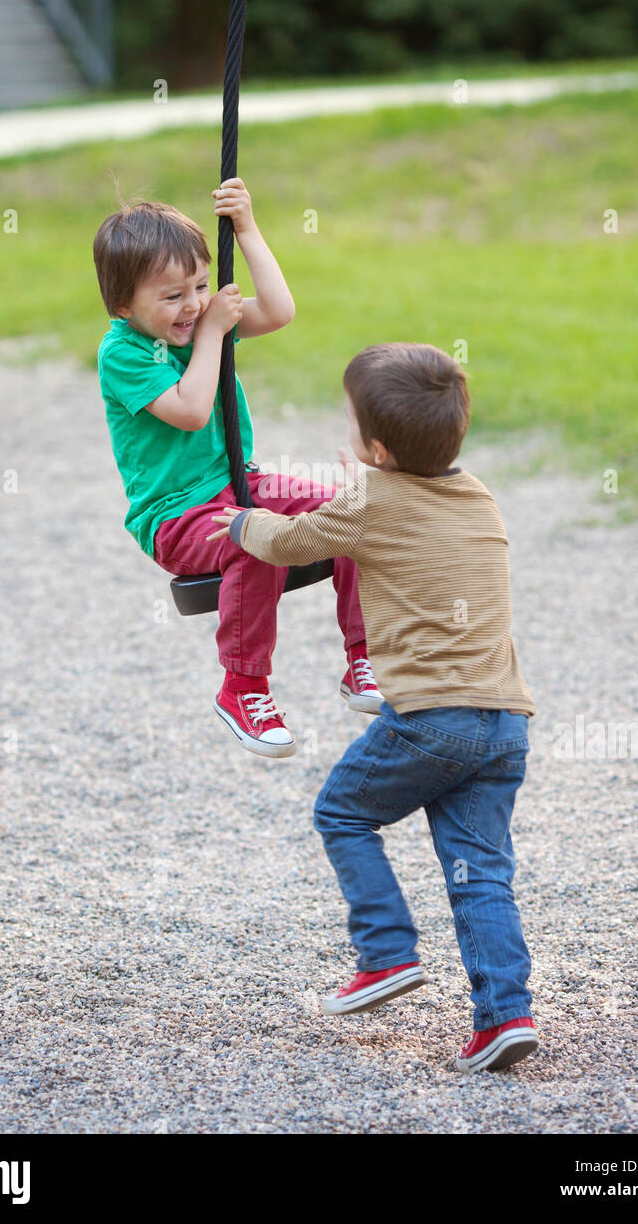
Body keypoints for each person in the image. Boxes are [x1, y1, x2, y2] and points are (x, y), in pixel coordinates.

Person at [208, 342, 538, 1072]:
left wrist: (236, 521)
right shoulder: (478, 495)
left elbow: (290, 542)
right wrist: (372, 477)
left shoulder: (369, 499)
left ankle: (386, 953)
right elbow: (410, 525)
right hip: (504, 721)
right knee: (479, 869)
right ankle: (504, 1016)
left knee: (343, 812)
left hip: (430, 719)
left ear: (377, 448)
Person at [93, 179, 382, 759]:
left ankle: (364, 658)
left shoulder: (200, 321)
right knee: (254, 538)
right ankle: (242, 688)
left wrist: (246, 229)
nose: (193, 305)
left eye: (200, 287)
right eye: (172, 296)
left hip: (241, 485)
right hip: (177, 515)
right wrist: (214, 333)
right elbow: (192, 410)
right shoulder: (122, 352)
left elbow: (278, 310)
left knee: (355, 511)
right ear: (125, 305)